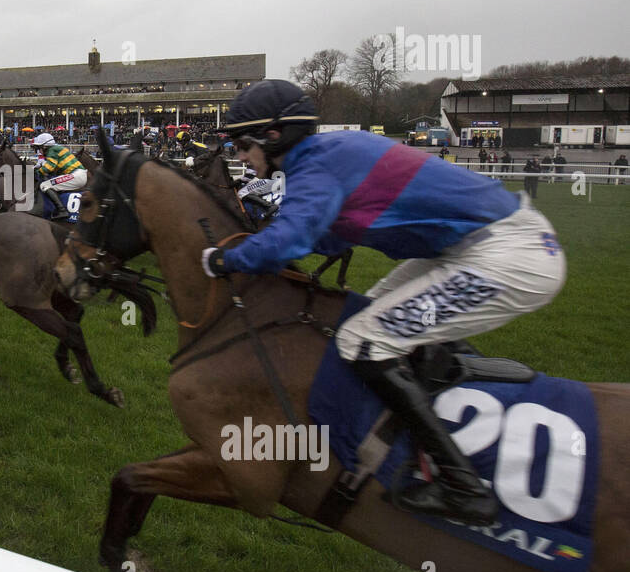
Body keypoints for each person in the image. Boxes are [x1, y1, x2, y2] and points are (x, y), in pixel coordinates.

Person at [200, 80, 565, 527]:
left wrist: (222, 259)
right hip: (478, 246)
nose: (238, 156)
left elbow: (289, 241)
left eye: (241, 144)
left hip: (509, 254)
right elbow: (323, 235)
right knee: (364, 318)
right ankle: (437, 393)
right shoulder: (323, 156)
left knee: (365, 342)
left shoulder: (315, 166)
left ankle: (464, 488)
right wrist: (274, 245)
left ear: (273, 136)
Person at [30, 132, 86, 220]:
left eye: (39, 148)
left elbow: (49, 168)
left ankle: (62, 210)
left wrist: (37, 171)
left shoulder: (52, 150)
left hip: (76, 175)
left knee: (44, 185)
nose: (39, 151)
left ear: (44, 146)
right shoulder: (57, 148)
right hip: (77, 174)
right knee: (51, 183)